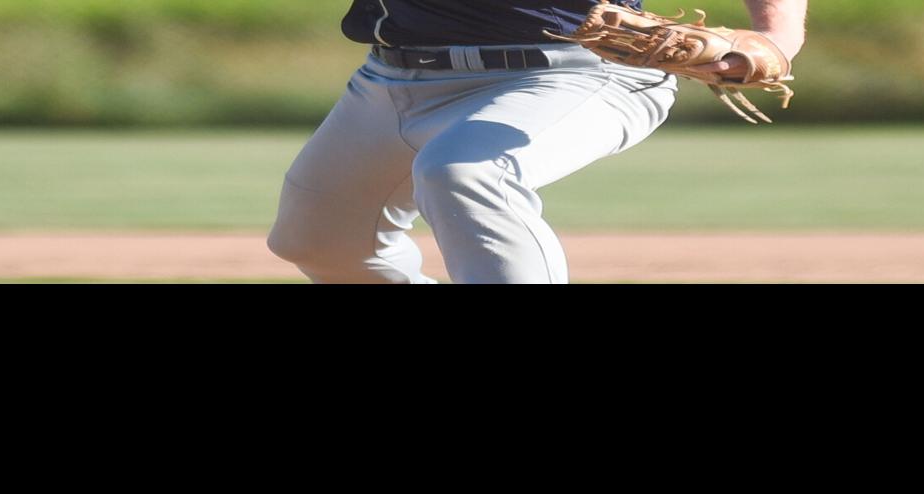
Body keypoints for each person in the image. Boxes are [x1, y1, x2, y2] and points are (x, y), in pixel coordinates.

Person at [267, 1, 807, 284]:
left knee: (469, 173)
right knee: (321, 241)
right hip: (389, 80)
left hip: (575, 71)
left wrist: (779, 35)